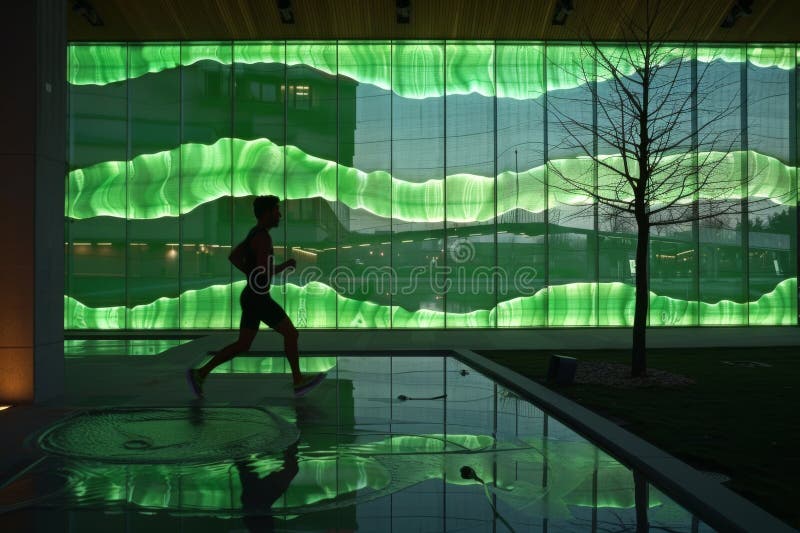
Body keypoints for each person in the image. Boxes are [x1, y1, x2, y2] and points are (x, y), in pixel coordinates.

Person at [186, 195, 325, 399]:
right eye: (277, 210)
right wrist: (284, 266)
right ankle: (297, 381)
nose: (280, 214)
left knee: (243, 344)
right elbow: (264, 270)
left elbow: (234, 257)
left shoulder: (254, 234)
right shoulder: (263, 238)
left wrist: (251, 272)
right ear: (267, 213)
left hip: (251, 295)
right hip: (259, 298)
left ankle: (200, 373)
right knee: (291, 334)